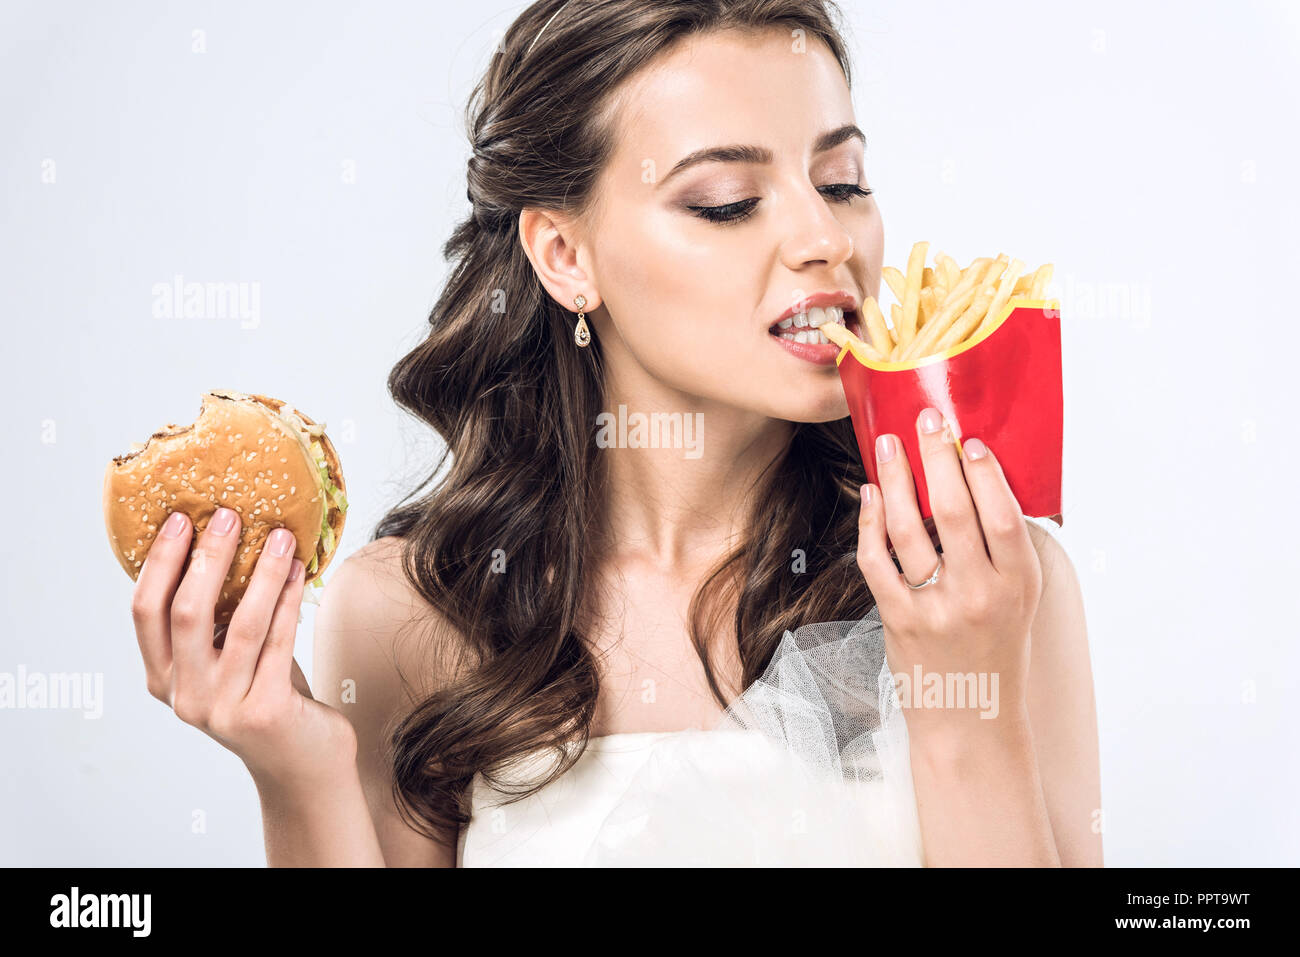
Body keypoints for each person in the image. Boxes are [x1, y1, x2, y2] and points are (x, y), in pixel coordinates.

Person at [128, 0, 1101, 867]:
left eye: (841, 181)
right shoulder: (408, 614)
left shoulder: (990, 583)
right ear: (564, 254)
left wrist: (964, 710)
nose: (825, 240)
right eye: (726, 201)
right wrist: (295, 772)